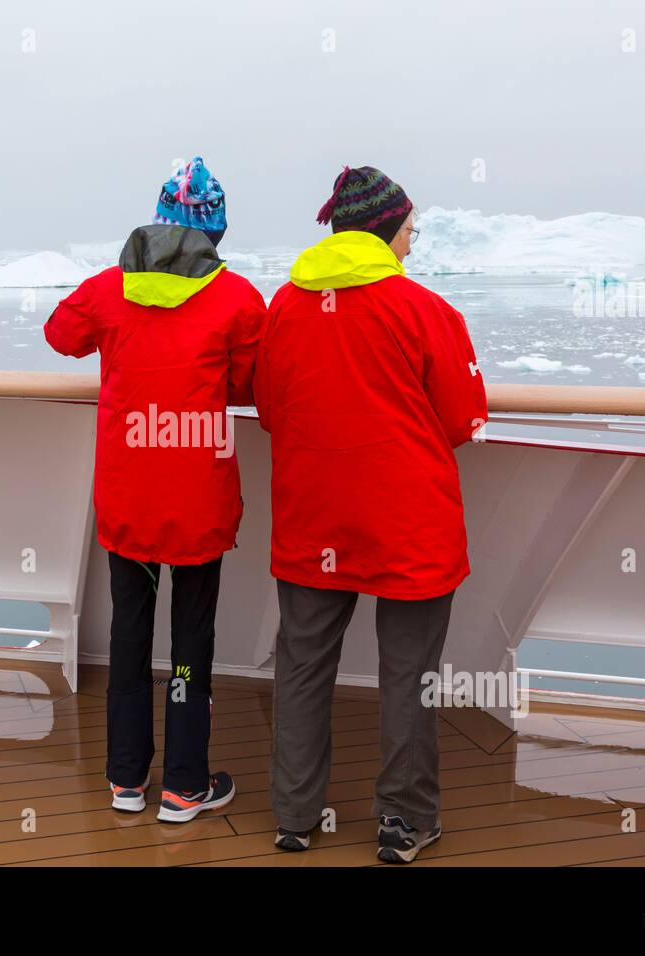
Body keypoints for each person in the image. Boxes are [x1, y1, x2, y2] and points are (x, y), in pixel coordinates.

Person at [253, 165, 488, 861]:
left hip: (312, 515)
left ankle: (294, 816)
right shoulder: (427, 312)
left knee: (301, 664)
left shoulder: (286, 308)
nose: (414, 244)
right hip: (407, 519)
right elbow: (463, 417)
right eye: (411, 230)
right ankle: (403, 821)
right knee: (408, 672)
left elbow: (270, 408)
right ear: (387, 231)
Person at [44, 157, 268, 822]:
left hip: (127, 496)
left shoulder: (110, 289)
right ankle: (184, 785)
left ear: (156, 221)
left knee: (129, 637)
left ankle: (124, 780)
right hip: (197, 497)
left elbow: (61, 334)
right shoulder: (237, 299)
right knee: (191, 642)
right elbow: (250, 384)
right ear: (215, 233)